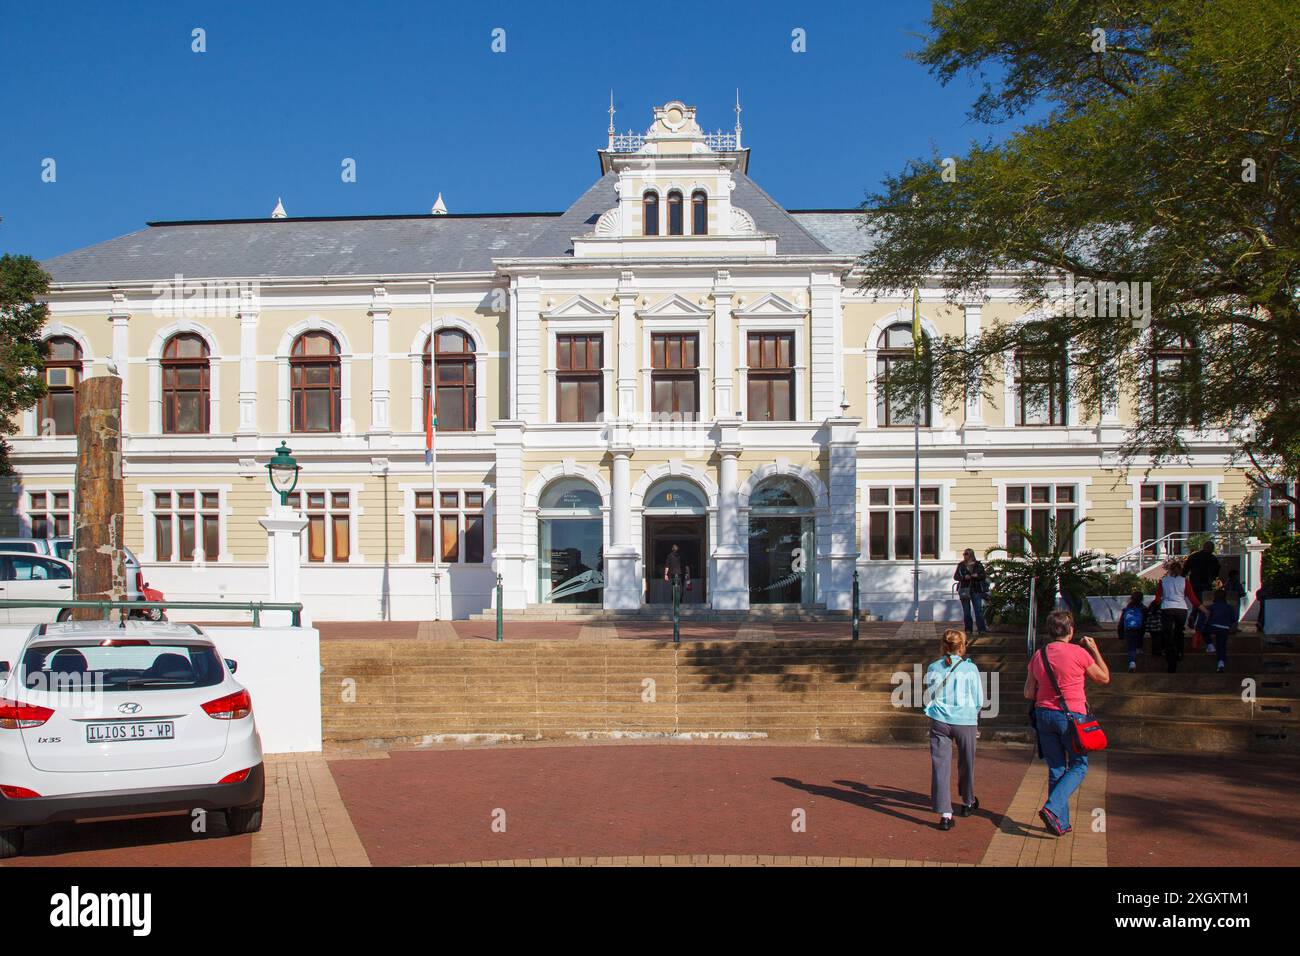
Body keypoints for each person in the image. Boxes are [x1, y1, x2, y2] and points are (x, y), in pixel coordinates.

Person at [1024, 610, 1110, 836]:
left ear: (1050, 631)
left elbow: (1028, 692)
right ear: (1070, 630)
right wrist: (1094, 650)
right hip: (1071, 717)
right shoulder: (1079, 653)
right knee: (1079, 765)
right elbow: (1103, 678)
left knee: (1056, 768)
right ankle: (1052, 809)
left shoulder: (1038, 655)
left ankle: (1059, 822)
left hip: (1044, 714)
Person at [924, 629, 984, 831]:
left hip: (940, 719)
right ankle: (967, 801)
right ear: (962, 646)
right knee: (967, 761)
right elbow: (978, 699)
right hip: (965, 719)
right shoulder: (970, 669)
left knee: (940, 766)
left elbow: (930, 693)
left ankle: (945, 813)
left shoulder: (933, 667)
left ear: (944, 645)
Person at [1158, 560, 1202, 673]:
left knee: (1168, 634)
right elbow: (1192, 598)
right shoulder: (1184, 581)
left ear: (1170, 570)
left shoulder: (1163, 581)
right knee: (1179, 632)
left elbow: (1158, 599)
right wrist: (1204, 609)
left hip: (1167, 608)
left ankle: (1170, 660)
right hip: (1181, 609)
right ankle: (1180, 652)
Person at [953, 549, 990, 636]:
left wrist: (977, 576)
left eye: (966, 554)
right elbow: (956, 576)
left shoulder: (978, 565)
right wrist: (964, 577)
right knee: (966, 611)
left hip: (976, 589)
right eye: (964, 554)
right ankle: (968, 629)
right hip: (965, 590)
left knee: (978, 610)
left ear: (971, 555)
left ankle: (981, 629)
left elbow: (983, 575)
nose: (965, 555)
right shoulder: (961, 565)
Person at [1203, 588, 1238, 672]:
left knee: (1204, 630)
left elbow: (1206, 617)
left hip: (1213, 626)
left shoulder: (1212, 607)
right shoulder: (1229, 607)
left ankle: (1210, 645)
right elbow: (1234, 619)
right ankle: (1221, 663)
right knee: (1221, 646)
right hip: (1225, 628)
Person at [1116, 590, 1147, 672]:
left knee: (1131, 647)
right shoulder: (1144, 609)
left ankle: (1132, 662)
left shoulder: (1126, 609)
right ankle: (1139, 649)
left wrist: (1120, 635)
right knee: (1137, 644)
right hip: (1140, 630)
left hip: (1129, 630)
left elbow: (1121, 623)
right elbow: (1146, 621)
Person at [1184, 540, 1220, 607]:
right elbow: (1216, 572)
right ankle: (1204, 615)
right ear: (1211, 548)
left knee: (1195, 603)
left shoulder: (1193, 556)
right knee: (1207, 605)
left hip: (1194, 583)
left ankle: (1194, 615)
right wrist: (1212, 579)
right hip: (1206, 584)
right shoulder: (1213, 558)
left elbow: (1185, 570)